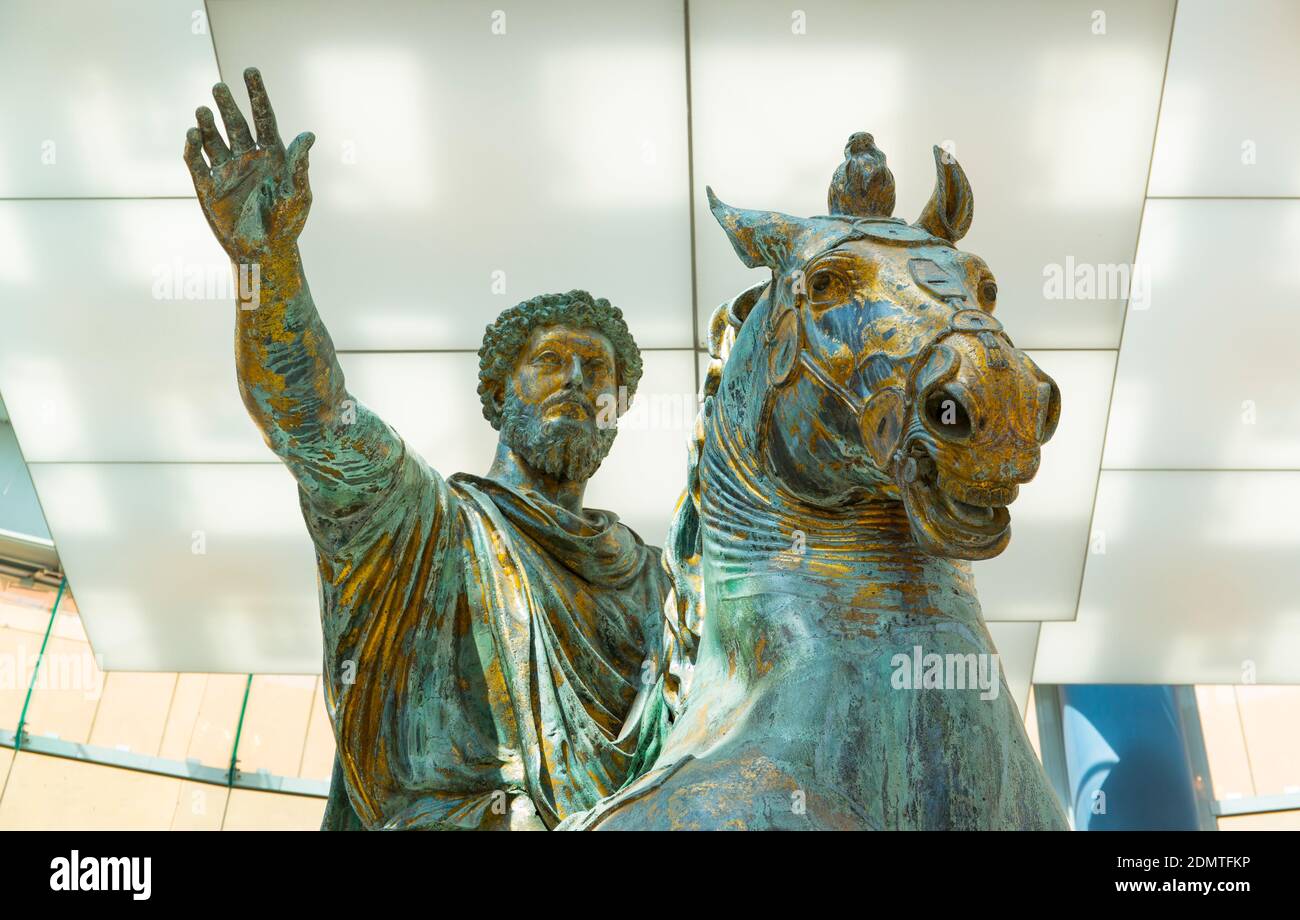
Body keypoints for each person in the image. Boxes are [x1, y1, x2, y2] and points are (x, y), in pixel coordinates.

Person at [184, 68, 673, 830]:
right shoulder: (422, 520)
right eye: (551, 362)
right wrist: (264, 263)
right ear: (501, 394)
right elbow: (310, 418)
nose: (578, 380)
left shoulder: (656, 585)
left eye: (599, 372)